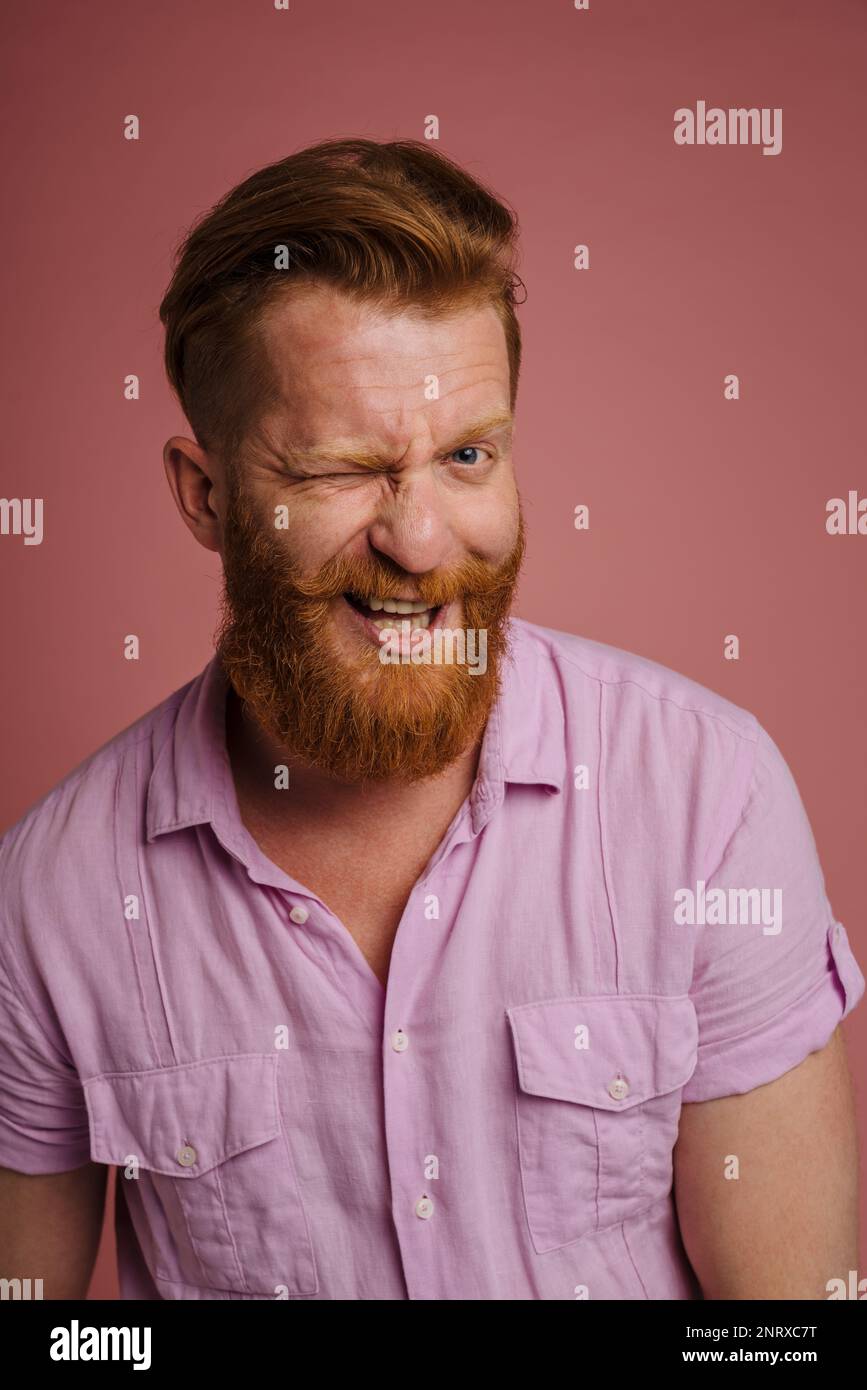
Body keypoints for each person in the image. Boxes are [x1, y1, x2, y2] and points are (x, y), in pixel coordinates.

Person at [0, 139, 862, 1301]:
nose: (418, 543)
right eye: (341, 468)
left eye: (468, 455)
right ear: (207, 499)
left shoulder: (708, 796)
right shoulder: (51, 897)